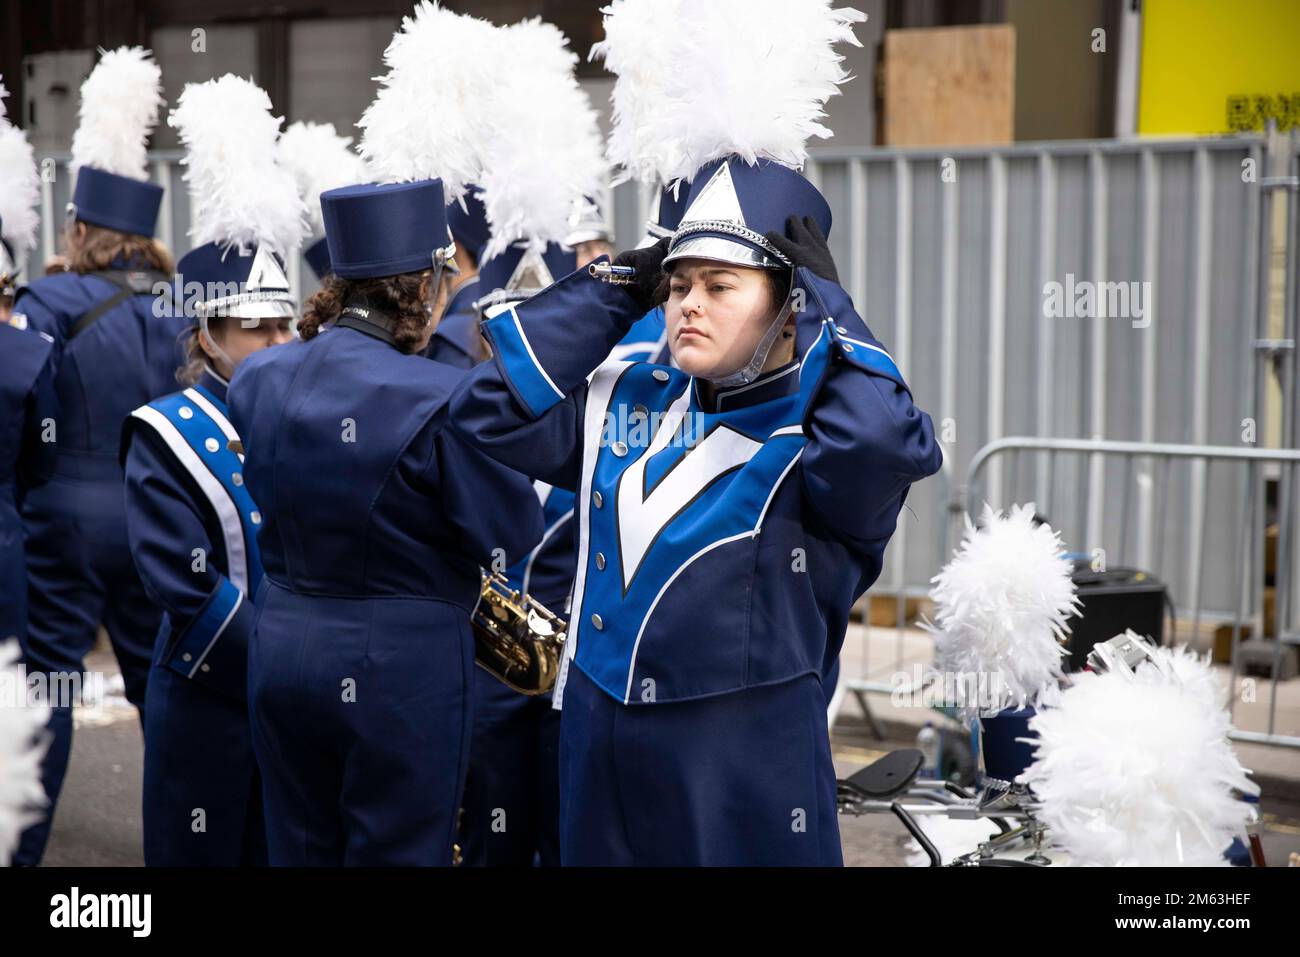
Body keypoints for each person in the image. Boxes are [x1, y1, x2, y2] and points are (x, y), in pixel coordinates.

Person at [449, 1, 935, 865]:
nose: (689, 304)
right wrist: (611, 286)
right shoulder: (627, 397)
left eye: (721, 285)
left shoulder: (822, 434)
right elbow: (483, 413)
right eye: (678, 284)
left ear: (789, 303)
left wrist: (834, 311)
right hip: (596, 758)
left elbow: (881, 449)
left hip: (742, 783)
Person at [227, 176, 543, 866]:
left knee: (300, 850)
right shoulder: (446, 394)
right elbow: (511, 533)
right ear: (426, 284)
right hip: (401, 670)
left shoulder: (257, 377)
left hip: (280, 645)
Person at [120, 74, 307, 866]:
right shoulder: (166, 434)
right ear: (205, 336)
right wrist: (287, 667)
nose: (273, 343)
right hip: (214, 694)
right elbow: (186, 590)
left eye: (282, 326)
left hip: (300, 699)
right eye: (251, 327)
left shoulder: (310, 419)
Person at [10, 47, 181, 865]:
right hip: (155, 523)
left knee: (52, 690)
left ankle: (24, 846)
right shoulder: (183, 310)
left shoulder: (48, 298)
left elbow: (25, 404)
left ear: (78, 231)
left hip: (64, 524)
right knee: (162, 692)